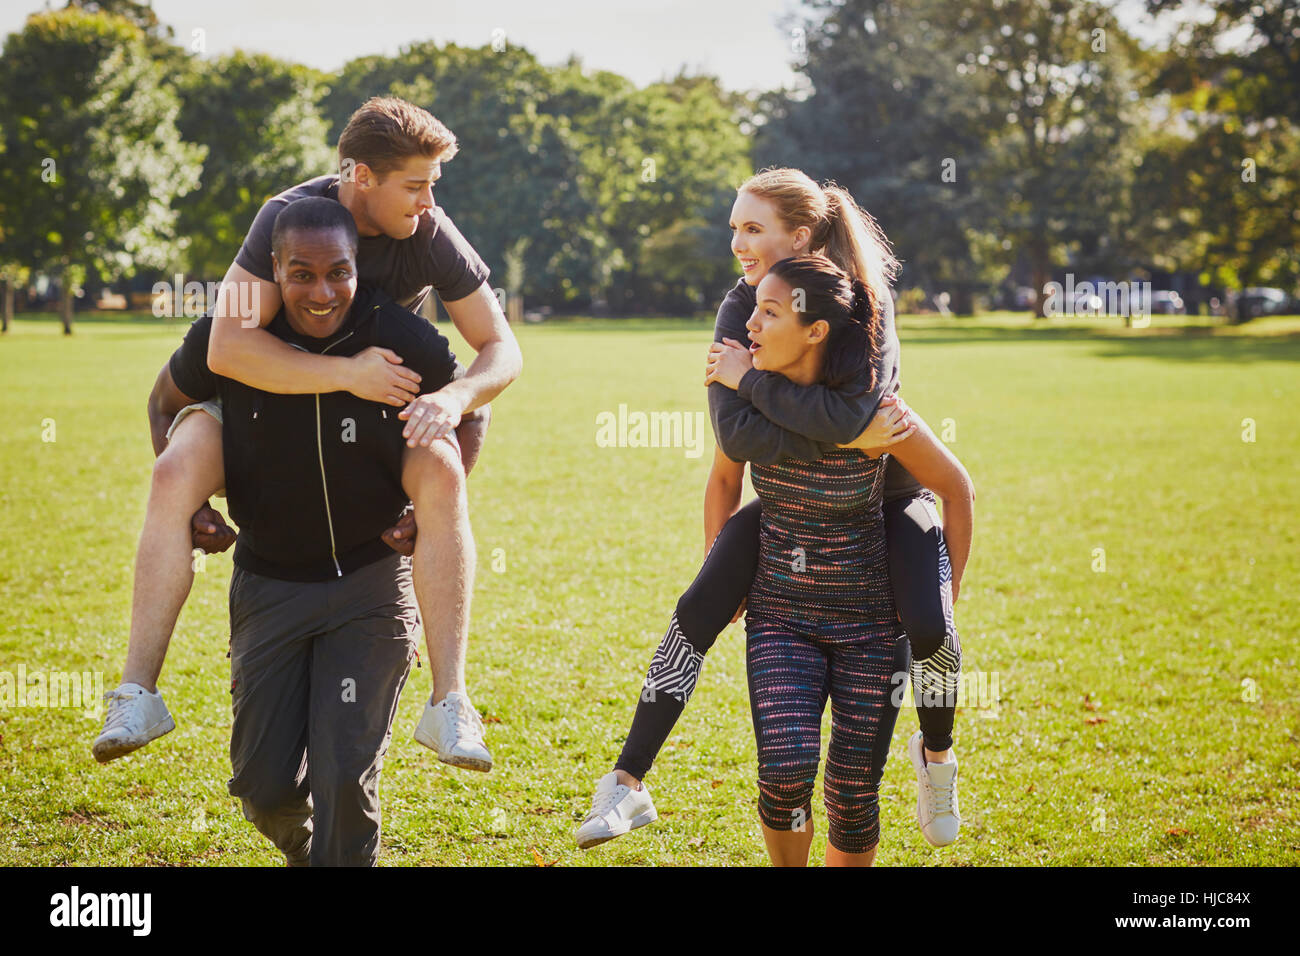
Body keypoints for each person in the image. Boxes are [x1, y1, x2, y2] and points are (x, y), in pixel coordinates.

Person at [93, 97, 522, 771]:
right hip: (268, 401)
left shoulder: (430, 232)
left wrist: (455, 396)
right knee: (173, 472)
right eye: (414, 184)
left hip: (375, 408)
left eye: (432, 183)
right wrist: (348, 373)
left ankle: (450, 704)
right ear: (360, 176)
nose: (428, 200)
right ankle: (137, 691)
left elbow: (501, 347)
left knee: (440, 467)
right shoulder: (280, 219)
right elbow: (226, 350)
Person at [576, 169, 973, 850]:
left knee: (931, 628)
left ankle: (937, 758)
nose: (735, 242)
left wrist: (947, 586)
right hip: (787, 507)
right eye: (734, 226)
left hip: (888, 502)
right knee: (698, 607)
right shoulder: (740, 308)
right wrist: (778, 396)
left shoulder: (862, 306)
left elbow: (864, 416)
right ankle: (627, 782)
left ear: (801, 235)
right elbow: (737, 441)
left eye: (751, 228)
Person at [155, 197, 468, 865]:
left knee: (344, 776)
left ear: (359, 268)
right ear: (273, 270)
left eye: (339, 272)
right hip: (269, 584)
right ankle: (311, 852)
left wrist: (436, 497)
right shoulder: (228, 339)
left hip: (372, 585)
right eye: (302, 274)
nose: (322, 292)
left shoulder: (398, 335)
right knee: (263, 788)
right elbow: (164, 402)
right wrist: (189, 503)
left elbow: (466, 404)